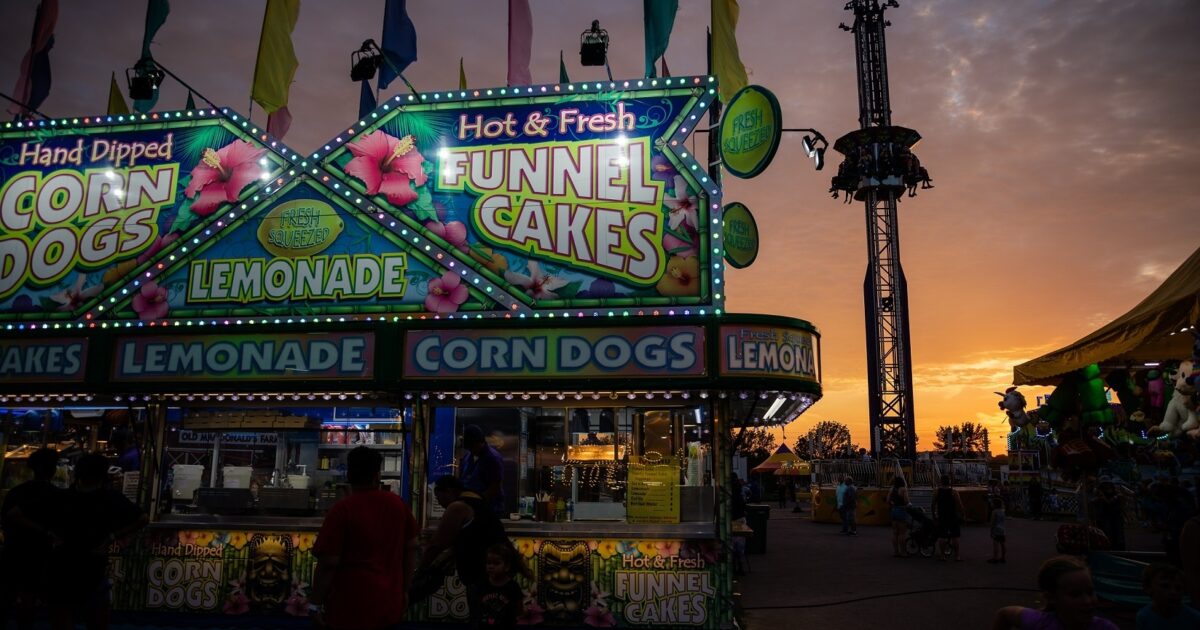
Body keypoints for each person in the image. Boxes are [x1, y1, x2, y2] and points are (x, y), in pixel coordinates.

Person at [311, 446, 419, 630]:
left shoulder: (342, 510)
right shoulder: (397, 504)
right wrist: (405, 589)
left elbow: (329, 563)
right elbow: (412, 546)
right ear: (377, 475)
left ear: (349, 476)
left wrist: (315, 603)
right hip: (388, 604)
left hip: (349, 606)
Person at [51, 452, 148, 630]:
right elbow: (142, 518)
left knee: (63, 613)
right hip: (93, 566)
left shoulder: (63, 497)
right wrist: (112, 537)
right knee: (96, 616)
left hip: (64, 564)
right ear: (103, 475)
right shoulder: (109, 497)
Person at [423, 475, 510, 625]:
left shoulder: (458, 506)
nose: (439, 503)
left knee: (480, 617)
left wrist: (421, 568)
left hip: (481, 573)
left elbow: (437, 545)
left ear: (449, 491)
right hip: (498, 571)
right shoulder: (476, 499)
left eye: (439, 498)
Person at [1, 448, 63, 630]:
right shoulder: (55, 495)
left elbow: (7, 517)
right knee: (29, 597)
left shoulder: (17, 492)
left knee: (7, 595)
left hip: (14, 550)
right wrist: (45, 531)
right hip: (39, 553)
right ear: (52, 470)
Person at [991, 556, 1118, 629]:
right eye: (1075, 595)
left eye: (1090, 592)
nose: (1087, 601)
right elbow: (1004, 614)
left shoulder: (1106, 628)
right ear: (1051, 597)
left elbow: (1005, 613)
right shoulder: (1039, 622)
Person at [477, 543, 529, 629]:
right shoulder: (482, 584)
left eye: (496, 563)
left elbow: (519, 610)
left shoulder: (513, 587)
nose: (491, 566)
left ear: (507, 567)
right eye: (488, 563)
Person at [1136, 563, 1200, 629]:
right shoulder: (1144, 617)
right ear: (1148, 588)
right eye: (1165, 586)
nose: (1173, 592)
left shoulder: (1195, 618)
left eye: (1178, 588)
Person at [459, 425, 505, 516]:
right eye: (469, 447)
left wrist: (479, 500)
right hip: (470, 506)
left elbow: (495, 486)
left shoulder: (492, 458)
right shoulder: (468, 456)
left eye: (473, 446)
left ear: (481, 442)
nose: (471, 449)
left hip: (488, 508)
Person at [931, 474, 964, 561]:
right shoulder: (954, 492)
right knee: (955, 536)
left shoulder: (937, 491)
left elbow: (933, 505)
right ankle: (957, 556)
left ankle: (942, 555)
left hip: (942, 516)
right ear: (949, 482)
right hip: (953, 516)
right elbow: (960, 505)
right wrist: (962, 514)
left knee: (942, 536)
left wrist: (934, 515)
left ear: (941, 482)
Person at [1093, 477, 1126, 551]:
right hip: (1105, 515)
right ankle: (1108, 547)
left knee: (1118, 532)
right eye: (1105, 483)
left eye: (1107, 483)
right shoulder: (1099, 492)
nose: (1106, 485)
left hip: (1115, 514)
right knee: (1107, 532)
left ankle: (1119, 548)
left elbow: (1121, 500)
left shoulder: (1115, 491)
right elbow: (1107, 502)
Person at [887, 476, 911, 558]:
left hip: (894, 511)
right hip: (901, 510)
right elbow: (906, 501)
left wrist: (893, 504)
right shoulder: (903, 489)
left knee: (895, 533)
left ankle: (896, 552)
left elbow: (888, 500)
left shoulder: (891, 489)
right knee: (902, 533)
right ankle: (903, 552)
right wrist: (908, 505)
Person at [988, 496, 1008, 564]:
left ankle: (995, 558)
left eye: (992, 503)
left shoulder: (994, 511)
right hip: (1002, 529)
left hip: (996, 529)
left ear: (995, 504)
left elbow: (992, 522)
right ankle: (1003, 557)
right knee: (1003, 544)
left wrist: (991, 530)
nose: (991, 504)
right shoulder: (1003, 511)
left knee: (995, 544)